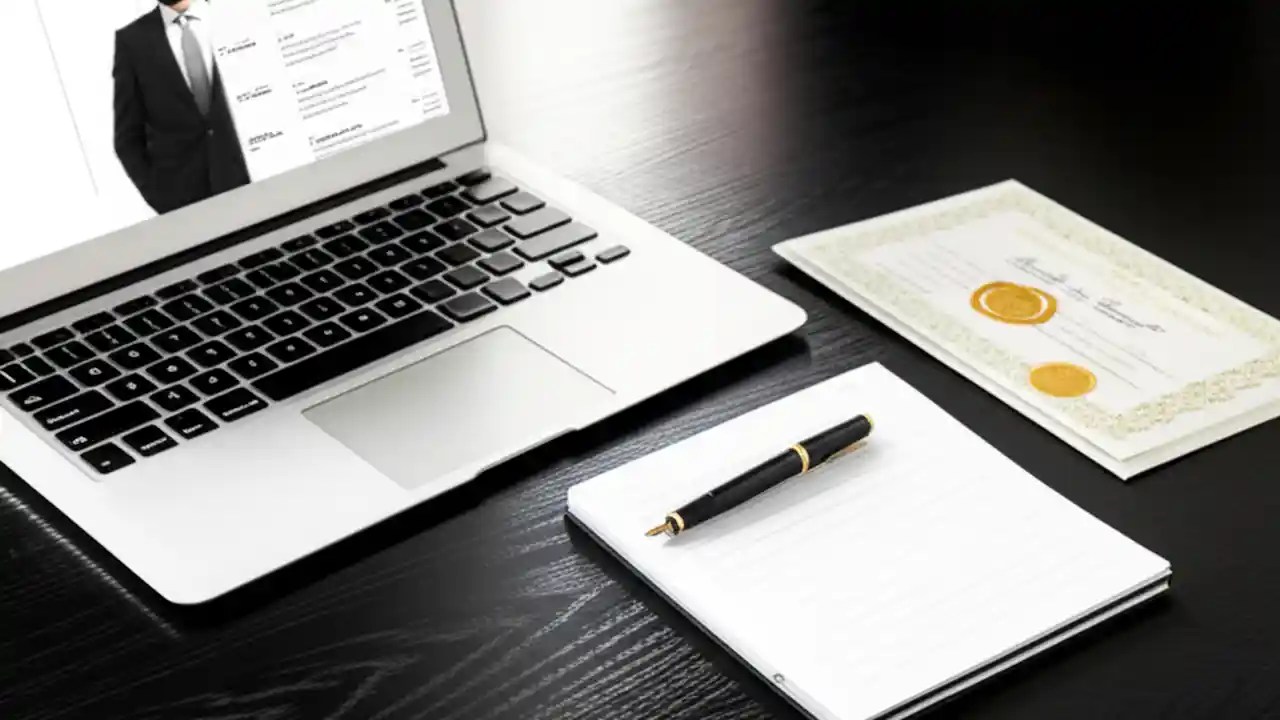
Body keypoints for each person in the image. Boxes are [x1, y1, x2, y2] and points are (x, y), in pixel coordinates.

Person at [113, 0, 250, 215]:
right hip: (189, 207)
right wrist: (165, 201)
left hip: (256, 186)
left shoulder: (238, 13)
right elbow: (127, 139)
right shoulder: (132, 41)